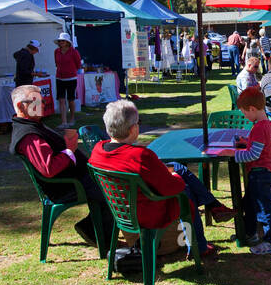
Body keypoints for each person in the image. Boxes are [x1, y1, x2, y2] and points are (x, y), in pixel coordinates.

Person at [88, 98, 234, 262]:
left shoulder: (98, 151)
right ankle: (199, 246)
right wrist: (175, 178)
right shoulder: (140, 156)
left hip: (121, 208)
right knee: (185, 189)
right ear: (132, 128)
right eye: (138, 122)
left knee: (177, 166)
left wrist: (171, 173)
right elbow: (172, 187)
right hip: (147, 211)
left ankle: (214, 206)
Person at [9, 84, 112, 253]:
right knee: (111, 186)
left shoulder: (34, 125)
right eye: (37, 102)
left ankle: (93, 228)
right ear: (21, 106)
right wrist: (69, 151)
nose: (43, 105)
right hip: (65, 186)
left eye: (42, 101)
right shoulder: (28, 135)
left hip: (75, 179)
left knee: (109, 179)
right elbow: (48, 168)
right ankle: (97, 233)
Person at [216, 86, 271, 255]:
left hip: (260, 174)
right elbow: (254, 144)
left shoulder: (260, 127)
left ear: (252, 109)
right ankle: (249, 233)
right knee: (249, 205)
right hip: (257, 173)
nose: (244, 116)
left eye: (244, 113)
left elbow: (253, 154)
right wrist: (239, 142)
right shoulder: (262, 124)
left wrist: (233, 153)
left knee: (263, 209)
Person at [53, 32, 82, 128]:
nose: (61, 42)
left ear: (67, 42)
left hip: (71, 78)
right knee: (61, 100)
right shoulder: (56, 51)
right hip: (59, 78)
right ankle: (64, 122)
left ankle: (72, 118)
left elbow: (78, 65)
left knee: (71, 100)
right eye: (60, 41)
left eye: (63, 41)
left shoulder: (74, 52)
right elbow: (56, 63)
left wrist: (70, 70)